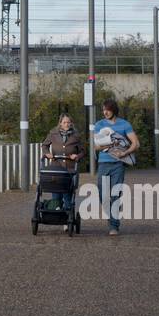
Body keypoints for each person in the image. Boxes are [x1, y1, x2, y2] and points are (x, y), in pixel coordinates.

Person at [92, 99, 139, 236]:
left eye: (108, 109)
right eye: (103, 109)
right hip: (103, 163)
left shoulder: (124, 124)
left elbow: (136, 143)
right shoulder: (99, 125)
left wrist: (124, 153)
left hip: (118, 165)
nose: (105, 112)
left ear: (114, 110)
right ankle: (115, 209)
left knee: (115, 194)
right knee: (102, 194)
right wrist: (110, 144)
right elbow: (96, 146)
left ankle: (114, 225)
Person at [41, 114, 83, 231]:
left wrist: (77, 156)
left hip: (69, 169)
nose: (67, 125)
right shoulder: (53, 134)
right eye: (64, 122)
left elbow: (82, 151)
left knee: (67, 195)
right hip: (56, 168)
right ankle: (56, 215)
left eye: (69, 123)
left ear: (71, 123)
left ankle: (67, 219)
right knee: (56, 194)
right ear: (60, 123)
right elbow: (44, 145)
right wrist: (47, 153)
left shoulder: (76, 136)